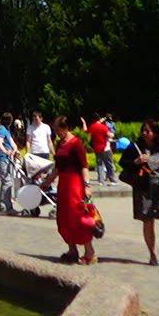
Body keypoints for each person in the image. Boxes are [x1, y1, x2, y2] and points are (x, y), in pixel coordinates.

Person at [119, 119, 159, 268]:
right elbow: (123, 163)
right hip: (143, 189)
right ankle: (152, 255)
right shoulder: (135, 146)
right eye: (143, 131)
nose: (145, 133)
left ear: (155, 132)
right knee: (148, 221)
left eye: (148, 131)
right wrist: (136, 161)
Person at [41, 116, 97, 265]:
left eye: (58, 130)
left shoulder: (76, 144)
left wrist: (87, 186)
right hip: (63, 185)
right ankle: (72, 250)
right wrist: (47, 182)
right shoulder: (60, 144)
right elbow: (57, 167)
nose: (57, 133)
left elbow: (84, 166)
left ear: (66, 128)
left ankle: (89, 252)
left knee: (78, 217)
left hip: (75, 185)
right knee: (63, 218)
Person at [0, 113, 19, 214]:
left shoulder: (7, 130)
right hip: (3, 159)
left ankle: (5, 205)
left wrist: (15, 150)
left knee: (7, 182)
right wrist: (5, 151)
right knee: (7, 182)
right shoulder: (2, 130)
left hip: (7, 159)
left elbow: (12, 143)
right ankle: (6, 206)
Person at [86, 113, 116, 185]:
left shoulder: (92, 127)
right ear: (99, 119)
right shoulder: (103, 127)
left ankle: (100, 181)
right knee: (109, 164)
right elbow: (111, 135)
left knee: (99, 164)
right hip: (106, 148)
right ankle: (112, 179)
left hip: (97, 148)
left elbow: (88, 133)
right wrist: (112, 134)